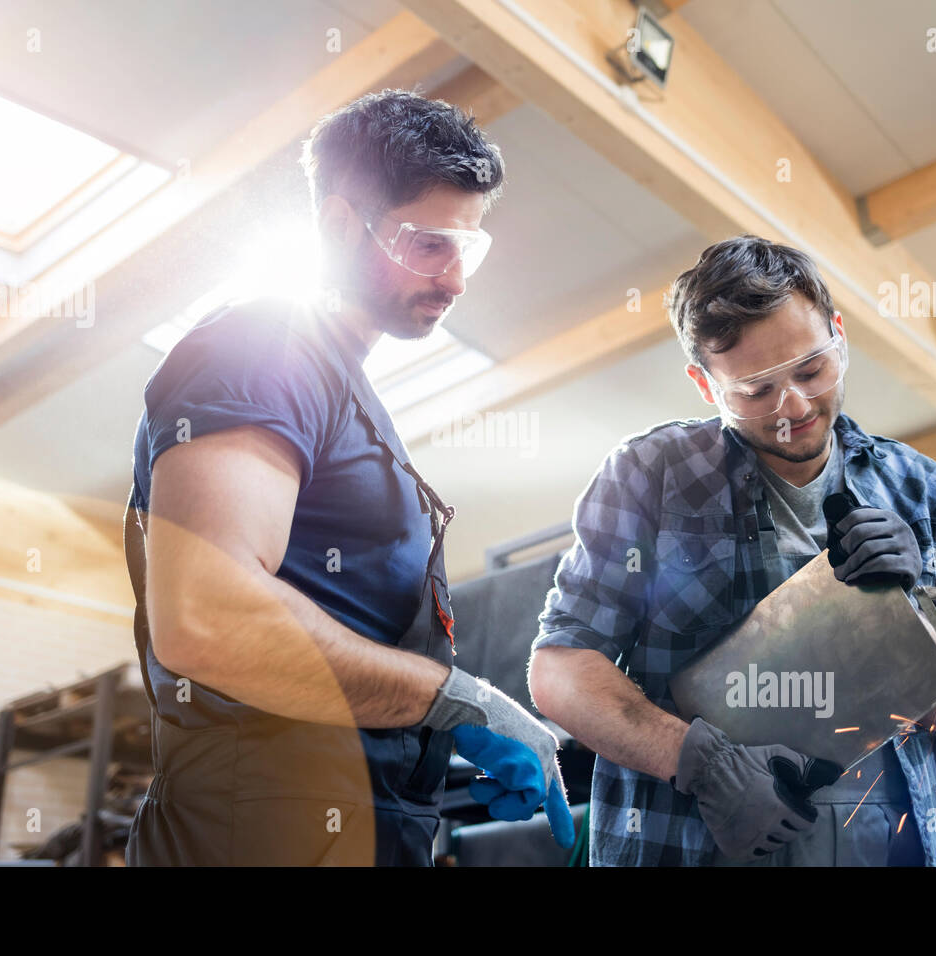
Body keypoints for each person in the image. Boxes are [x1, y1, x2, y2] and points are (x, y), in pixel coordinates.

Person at [123, 90, 573, 866]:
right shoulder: (262, 347)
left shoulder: (344, 392)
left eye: (469, 247)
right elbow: (208, 615)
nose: (456, 277)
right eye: (429, 243)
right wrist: (454, 699)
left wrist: (438, 735)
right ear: (338, 225)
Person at [528, 235, 936, 867]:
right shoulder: (647, 475)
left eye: (811, 370)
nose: (792, 407)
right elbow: (560, 668)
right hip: (696, 840)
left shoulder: (920, 485)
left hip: (901, 839)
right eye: (755, 390)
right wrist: (701, 764)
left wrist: (920, 608)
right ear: (704, 384)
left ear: (839, 336)